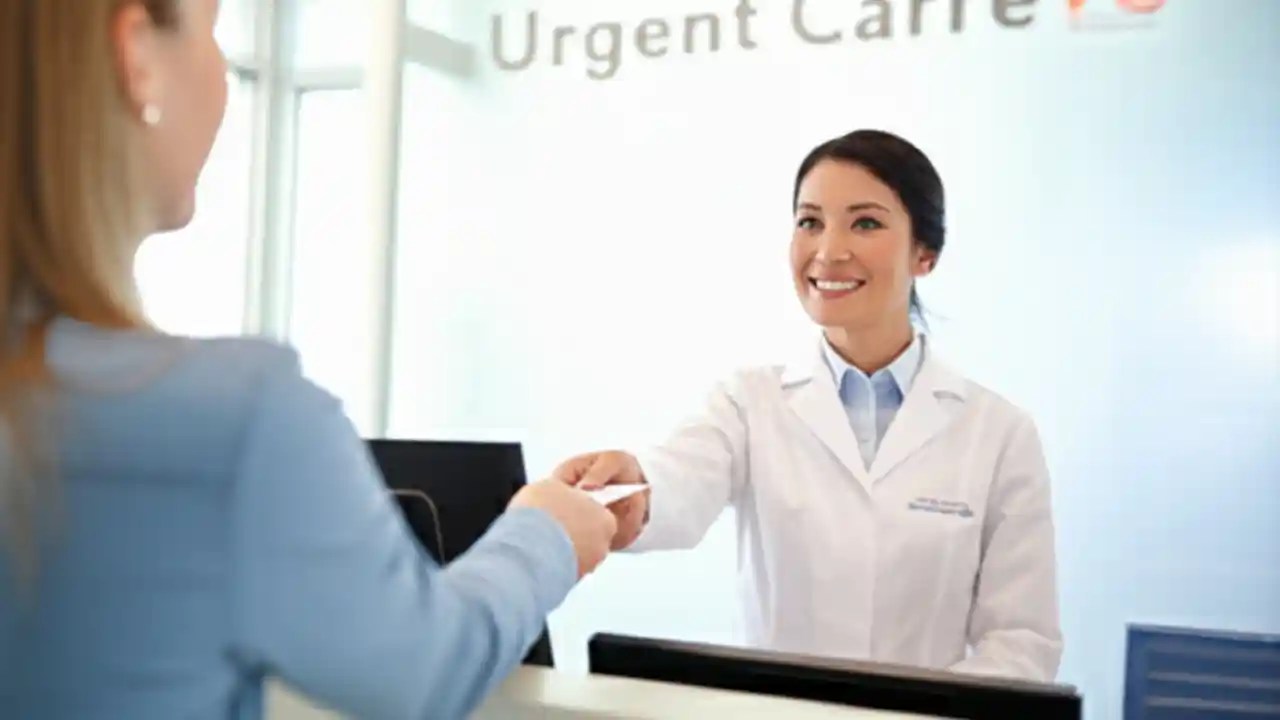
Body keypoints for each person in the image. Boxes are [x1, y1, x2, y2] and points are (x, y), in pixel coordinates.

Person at [0, 1, 618, 718]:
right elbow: (422, 669)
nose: (224, 73)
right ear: (137, 54)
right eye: (213, 30)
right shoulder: (231, 417)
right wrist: (545, 532)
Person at [553, 129, 1063, 682]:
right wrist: (632, 487)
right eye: (809, 221)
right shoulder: (750, 402)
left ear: (926, 254)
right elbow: (681, 478)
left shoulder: (999, 433)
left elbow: (1021, 640)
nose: (828, 251)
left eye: (865, 222)